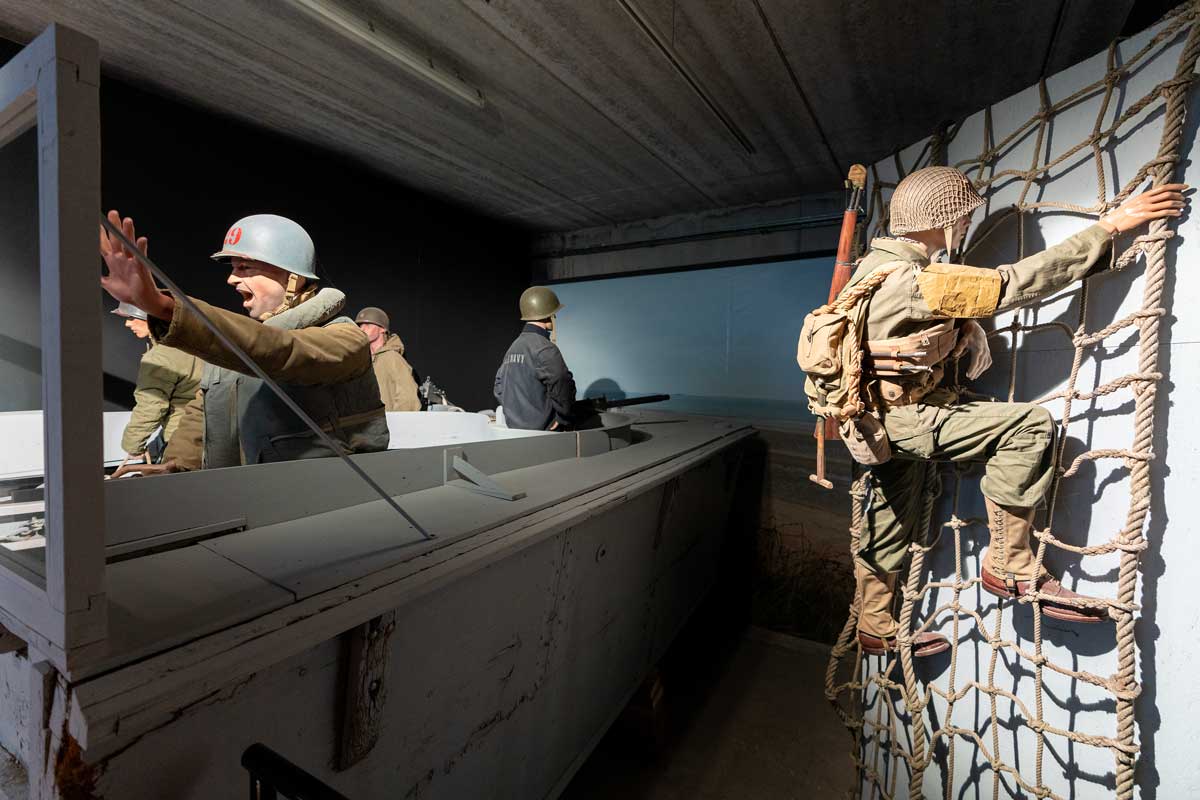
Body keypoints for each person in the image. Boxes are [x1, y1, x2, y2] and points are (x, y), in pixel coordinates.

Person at [833, 167, 1186, 657]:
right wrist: (1111, 226)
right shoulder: (918, 279)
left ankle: (874, 625)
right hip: (905, 416)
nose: (966, 224)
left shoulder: (874, 270)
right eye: (964, 216)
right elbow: (1015, 283)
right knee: (1027, 427)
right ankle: (1011, 565)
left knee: (890, 519)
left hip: (873, 421)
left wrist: (963, 327)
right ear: (947, 219)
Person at [99, 211, 389, 474]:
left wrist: (164, 308)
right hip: (242, 501)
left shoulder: (344, 338)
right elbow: (201, 417)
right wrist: (176, 467)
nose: (231, 279)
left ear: (293, 279)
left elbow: (281, 352)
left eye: (245, 268)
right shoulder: (238, 349)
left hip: (319, 504)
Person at [113, 301, 203, 464]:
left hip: (183, 441)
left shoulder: (160, 357)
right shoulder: (199, 346)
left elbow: (151, 405)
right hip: (213, 436)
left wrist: (133, 445)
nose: (127, 323)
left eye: (132, 317)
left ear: (151, 319)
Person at [494, 286, 576, 431]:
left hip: (515, 432)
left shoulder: (514, 347)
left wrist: (517, 416)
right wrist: (562, 417)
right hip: (544, 435)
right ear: (548, 314)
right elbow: (562, 382)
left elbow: (499, 387)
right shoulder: (545, 348)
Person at [354, 307, 421, 412]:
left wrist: (395, 424)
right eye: (360, 326)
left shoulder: (392, 358)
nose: (362, 329)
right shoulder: (361, 361)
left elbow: (408, 398)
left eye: (368, 325)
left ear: (383, 329)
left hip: (386, 426)